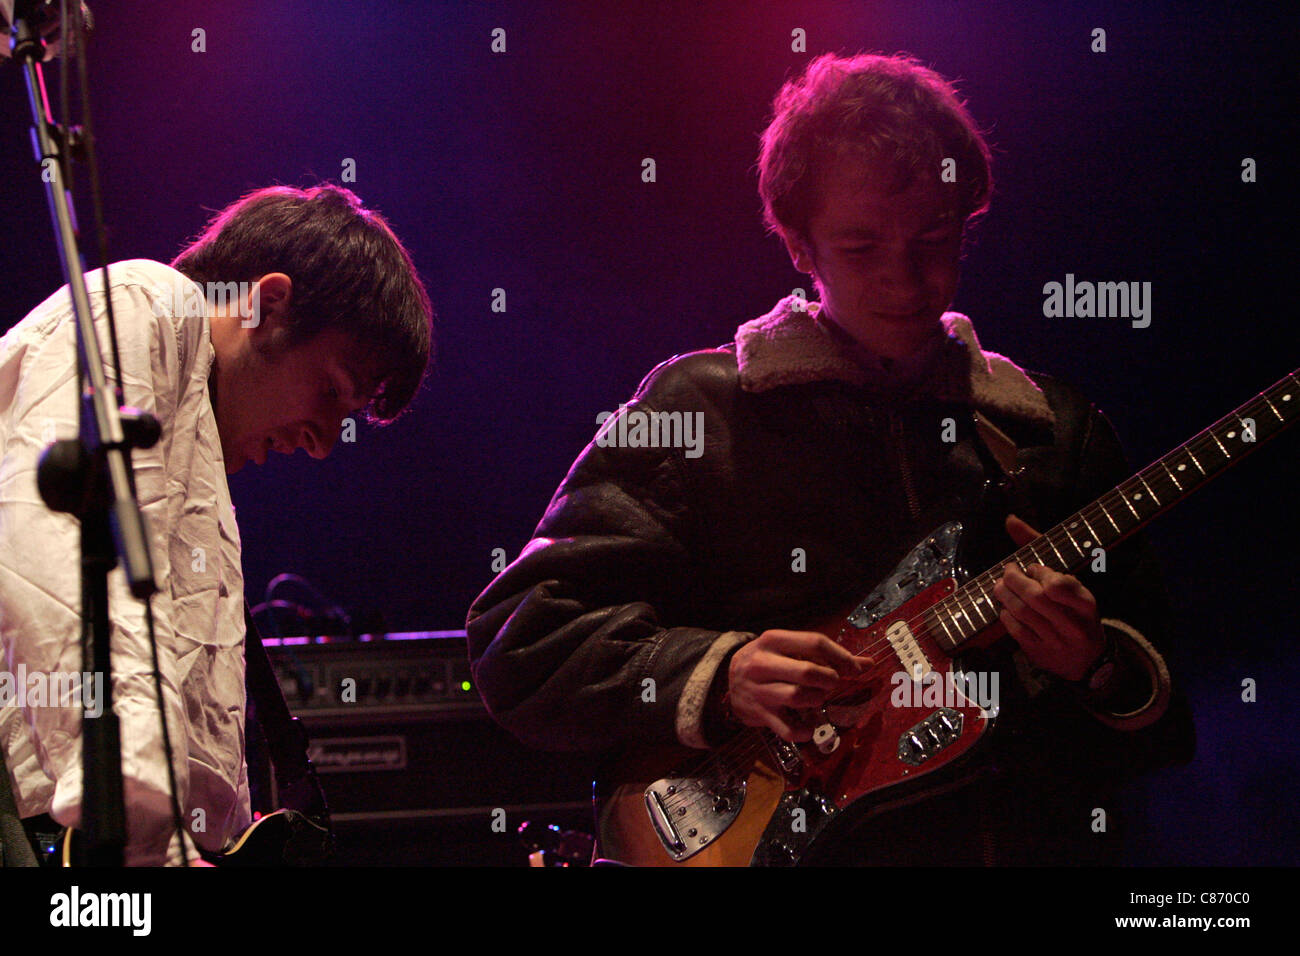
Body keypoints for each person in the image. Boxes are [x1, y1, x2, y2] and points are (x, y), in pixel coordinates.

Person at [465, 53, 1193, 865]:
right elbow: (521, 644)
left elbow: (1166, 737)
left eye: (934, 239)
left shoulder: (1053, 433)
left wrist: (1098, 668)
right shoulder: (699, 410)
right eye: (860, 245)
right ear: (798, 245)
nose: (905, 280)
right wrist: (718, 673)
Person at [0, 184, 433, 865]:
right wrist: (144, 831)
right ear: (268, 303)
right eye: (330, 391)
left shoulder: (196, 440)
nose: (323, 443)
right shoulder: (147, 301)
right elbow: (51, 549)